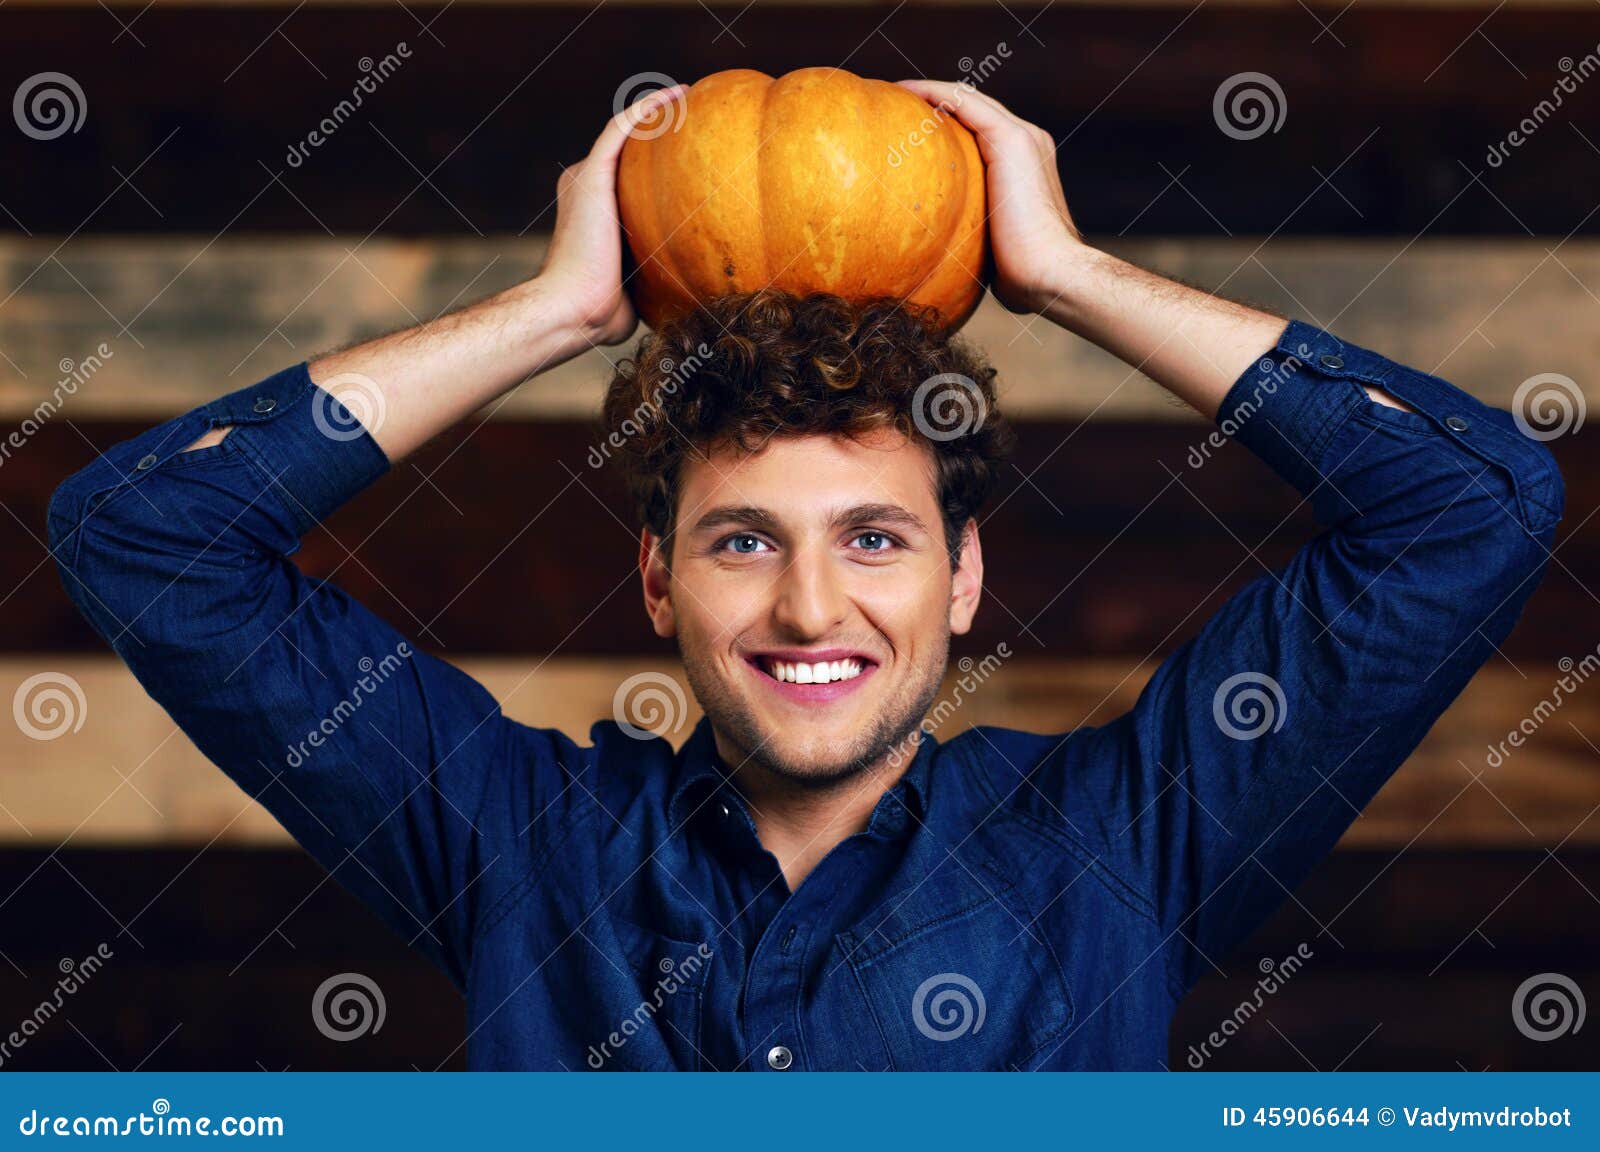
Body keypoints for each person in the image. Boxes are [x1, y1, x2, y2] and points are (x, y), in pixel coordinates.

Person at [48, 82, 1562, 1070]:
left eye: (876, 537)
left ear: (965, 578)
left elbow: (1479, 504)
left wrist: (1065, 278)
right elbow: (139, 533)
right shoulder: (519, 843)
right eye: (744, 539)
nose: (810, 606)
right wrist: (556, 312)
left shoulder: (1127, 843)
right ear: (657, 579)